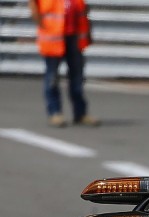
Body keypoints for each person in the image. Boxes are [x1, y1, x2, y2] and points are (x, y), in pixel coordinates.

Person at [29, 0, 99, 128]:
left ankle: (80, 114)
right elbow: (33, 6)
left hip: (74, 37)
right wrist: (42, 26)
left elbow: (84, 10)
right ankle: (55, 113)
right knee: (52, 78)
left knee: (77, 78)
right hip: (53, 38)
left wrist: (88, 32)